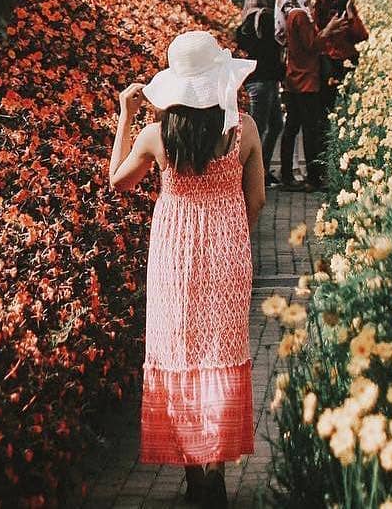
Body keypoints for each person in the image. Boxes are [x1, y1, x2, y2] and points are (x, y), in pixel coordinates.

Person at [109, 31, 266, 508]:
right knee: (219, 350)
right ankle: (213, 468)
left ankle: (196, 469)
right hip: (229, 253)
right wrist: (232, 230)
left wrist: (125, 116)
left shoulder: (157, 136)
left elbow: (118, 182)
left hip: (174, 256)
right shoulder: (245, 131)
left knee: (180, 350)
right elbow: (256, 200)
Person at [275, 0, 350, 191]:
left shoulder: (294, 12)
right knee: (309, 130)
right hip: (306, 79)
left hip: (295, 78)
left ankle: (288, 175)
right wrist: (329, 29)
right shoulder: (299, 16)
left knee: (292, 128)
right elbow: (312, 45)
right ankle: (313, 178)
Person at [234, 0, 284, 186]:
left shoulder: (249, 19)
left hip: (258, 79)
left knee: (271, 125)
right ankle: (252, 175)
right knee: (262, 127)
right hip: (264, 79)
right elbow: (272, 50)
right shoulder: (266, 18)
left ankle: (260, 170)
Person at [313, 0, 368, 112]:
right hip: (329, 61)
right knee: (328, 101)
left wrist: (350, 12)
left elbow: (362, 36)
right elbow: (319, 10)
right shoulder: (324, 10)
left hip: (348, 59)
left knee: (346, 100)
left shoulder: (349, 12)